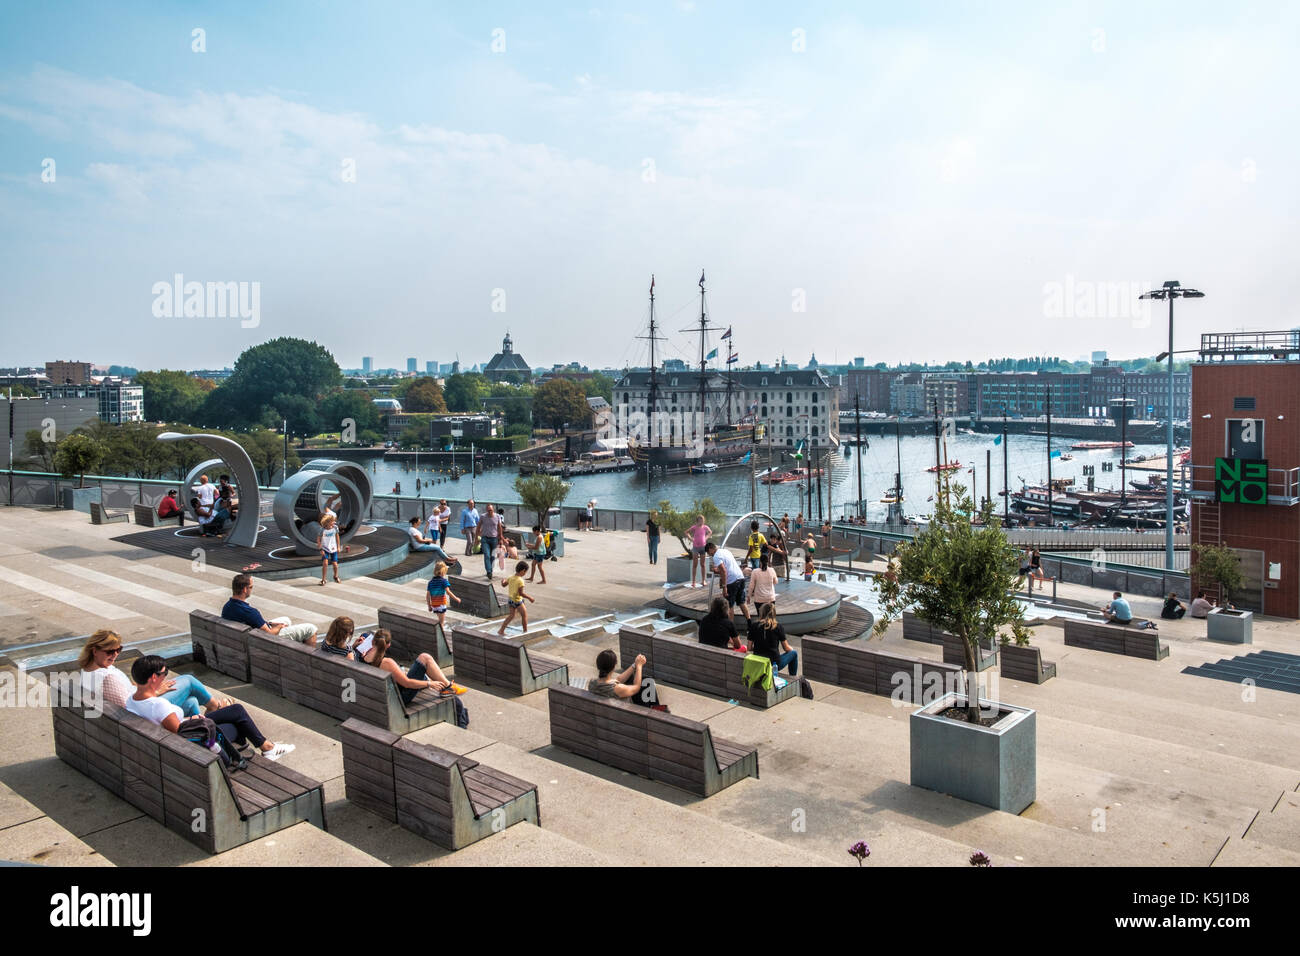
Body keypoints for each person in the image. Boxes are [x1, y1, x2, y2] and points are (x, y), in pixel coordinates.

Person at [126, 654, 294, 761]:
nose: (165, 677)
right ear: (153, 678)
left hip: (176, 738)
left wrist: (193, 718)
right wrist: (195, 719)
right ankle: (264, 749)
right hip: (194, 745)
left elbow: (172, 726)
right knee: (236, 719)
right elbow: (180, 733)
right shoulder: (159, 705)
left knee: (219, 707)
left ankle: (261, 748)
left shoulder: (132, 700)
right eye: (164, 673)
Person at [78, 629, 232, 716]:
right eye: (110, 651)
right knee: (189, 681)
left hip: (139, 706)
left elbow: (122, 691)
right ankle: (216, 707)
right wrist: (155, 692)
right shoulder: (106, 677)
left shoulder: (89, 671)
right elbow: (128, 706)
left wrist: (147, 687)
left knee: (191, 702)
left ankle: (203, 734)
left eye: (118, 650)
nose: (115, 654)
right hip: (143, 711)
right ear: (95, 651)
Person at [359, 628, 464, 706]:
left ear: (372, 641)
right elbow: (407, 683)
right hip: (400, 698)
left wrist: (356, 645)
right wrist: (430, 684)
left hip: (381, 696)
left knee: (422, 671)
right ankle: (448, 687)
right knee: (425, 658)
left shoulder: (364, 656)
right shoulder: (387, 662)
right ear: (388, 645)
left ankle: (444, 685)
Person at [222, 573, 318, 646]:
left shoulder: (227, 607)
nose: (252, 590)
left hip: (248, 638)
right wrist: (279, 627)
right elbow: (269, 634)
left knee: (286, 620)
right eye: (251, 587)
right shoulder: (250, 612)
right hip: (263, 641)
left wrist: (270, 624)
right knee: (310, 629)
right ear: (244, 589)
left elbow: (254, 622)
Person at [589, 649, 665, 708]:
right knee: (648, 683)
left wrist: (634, 665)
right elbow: (636, 687)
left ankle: (658, 709)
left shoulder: (592, 683)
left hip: (612, 712)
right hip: (631, 715)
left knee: (637, 679)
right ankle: (658, 713)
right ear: (614, 666)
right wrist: (639, 666)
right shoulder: (617, 689)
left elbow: (618, 680)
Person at [747, 603, 798, 676]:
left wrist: (759, 648)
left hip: (759, 662)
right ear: (774, 613)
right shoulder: (778, 627)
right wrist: (791, 649)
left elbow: (749, 648)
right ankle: (793, 677)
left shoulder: (754, 626)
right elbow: (786, 648)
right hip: (774, 664)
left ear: (761, 613)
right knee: (794, 653)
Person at [705, 541, 750, 622]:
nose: (709, 555)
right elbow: (727, 567)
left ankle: (730, 625)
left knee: (729, 605)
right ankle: (749, 623)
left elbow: (724, 571)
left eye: (708, 552)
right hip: (740, 577)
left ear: (710, 549)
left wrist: (724, 587)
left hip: (732, 581)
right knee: (741, 602)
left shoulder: (716, 556)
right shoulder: (725, 551)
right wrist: (718, 570)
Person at [498, 560, 535, 636]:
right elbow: (521, 593)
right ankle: (525, 632)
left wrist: (503, 581)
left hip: (511, 600)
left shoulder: (511, 577)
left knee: (511, 616)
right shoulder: (520, 581)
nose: (525, 574)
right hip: (517, 601)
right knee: (524, 615)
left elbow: (503, 585)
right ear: (523, 570)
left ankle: (501, 630)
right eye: (525, 572)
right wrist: (530, 598)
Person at [747, 552, 779, 617]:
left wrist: (748, 596)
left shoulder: (755, 571)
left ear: (760, 561)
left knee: (761, 617)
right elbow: (776, 582)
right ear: (768, 561)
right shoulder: (772, 570)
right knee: (770, 617)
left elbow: (751, 586)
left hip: (759, 599)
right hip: (770, 598)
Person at [479, 504, 505, 578]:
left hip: (494, 539)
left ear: (493, 510)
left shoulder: (497, 516)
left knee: (492, 556)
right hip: (485, 539)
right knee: (487, 555)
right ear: (486, 510)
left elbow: (499, 527)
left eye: (490, 510)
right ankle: (489, 571)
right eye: (488, 510)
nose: (489, 512)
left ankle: (490, 569)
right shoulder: (483, 516)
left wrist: (500, 539)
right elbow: (478, 526)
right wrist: (476, 538)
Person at [688, 514, 712, 588]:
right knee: (695, 565)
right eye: (700, 521)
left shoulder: (705, 527)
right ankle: (693, 582)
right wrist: (691, 539)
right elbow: (686, 532)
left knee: (703, 565)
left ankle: (703, 580)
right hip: (695, 547)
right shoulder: (694, 527)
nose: (701, 522)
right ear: (697, 521)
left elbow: (710, 532)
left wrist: (706, 538)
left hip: (703, 547)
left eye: (702, 521)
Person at [317, 513, 341, 585]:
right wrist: (320, 549)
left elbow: (337, 537)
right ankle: (323, 579)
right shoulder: (322, 530)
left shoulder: (335, 528)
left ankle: (335, 576)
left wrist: (338, 546)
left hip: (333, 548)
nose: (334, 522)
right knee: (325, 563)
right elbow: (318, 539)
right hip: (325, 548)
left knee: (335, 564)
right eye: (333, 521)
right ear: (328, 522)